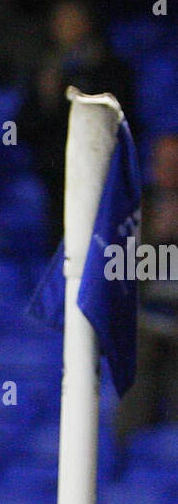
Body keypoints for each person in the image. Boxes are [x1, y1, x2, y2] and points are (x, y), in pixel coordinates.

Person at [17, 0, 136, 244]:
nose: (67, 26)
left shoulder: (112, 68)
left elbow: (123, 122)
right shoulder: (45, 71)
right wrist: (46, 98)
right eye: (61, 20)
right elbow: (23, 128)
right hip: (55, 176)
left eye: (74, 19)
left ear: (88, 23)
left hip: (102, 176)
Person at [114, 132, 178, 442]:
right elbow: (124, 274)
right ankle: (122, 460)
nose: (168, 169)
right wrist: (156, 238)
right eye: (163, 162)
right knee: (134, 400)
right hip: (144, 328)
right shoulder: (138, 209)